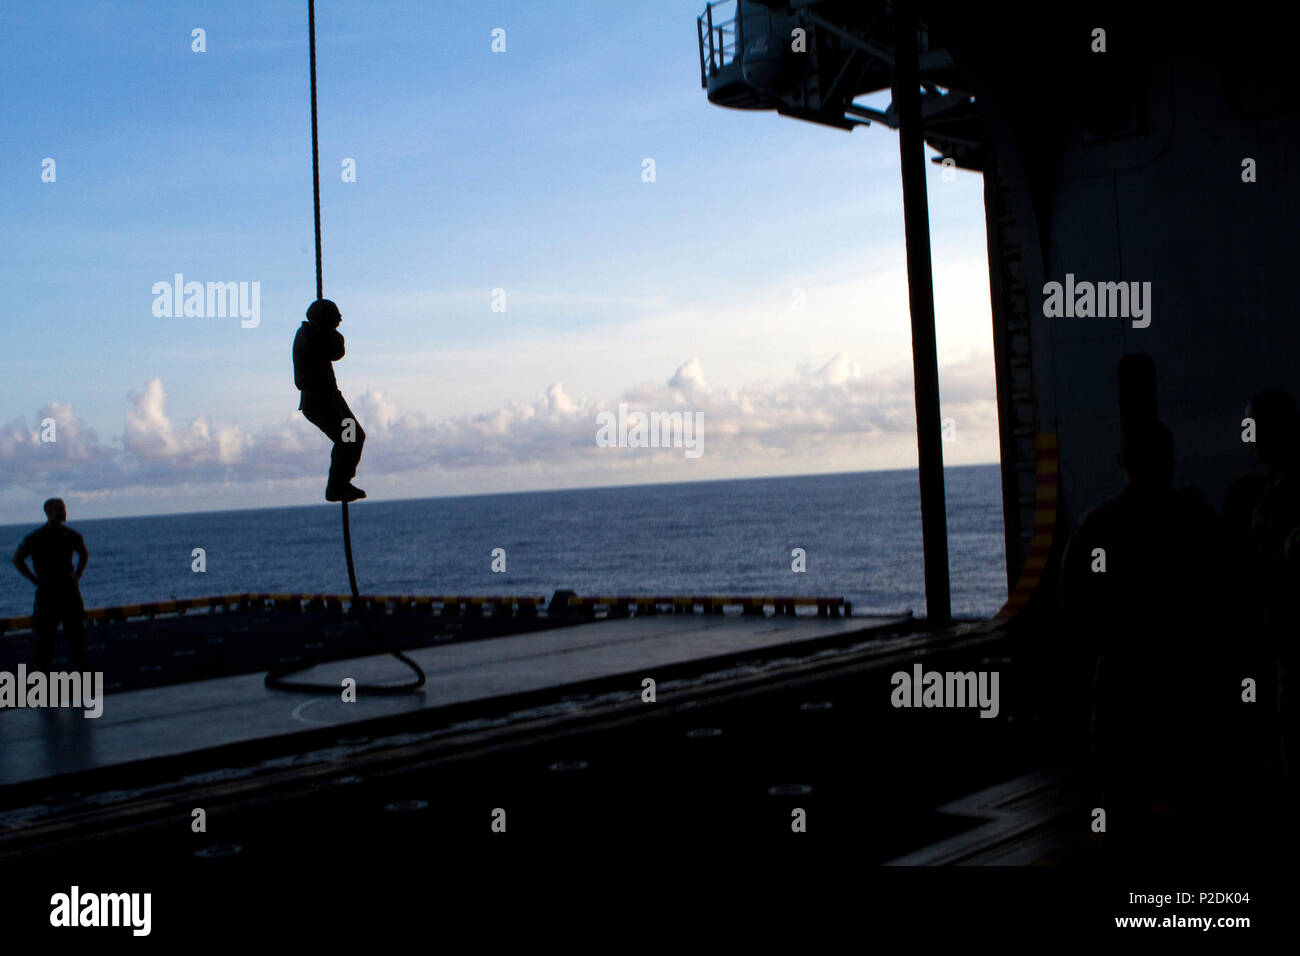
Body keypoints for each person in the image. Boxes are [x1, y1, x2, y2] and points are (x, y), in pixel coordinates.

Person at [1060, 421, 1238, 859]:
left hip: (1124, 683)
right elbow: (1230, 599)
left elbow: (1074, 608)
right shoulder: (1199, 521)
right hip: (1190, 686)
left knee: (1122, 813)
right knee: (1197, 813)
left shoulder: (1098, 527)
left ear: (1122, 463)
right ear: (1171, 462)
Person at [294, 299, 366, 502]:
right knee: (349, 438)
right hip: (320, 402)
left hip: (329, 399)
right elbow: (336, 351)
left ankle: (340, 483)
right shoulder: (310, 339)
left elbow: (336, 350)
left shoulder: (310, 335)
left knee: (352, 436)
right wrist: (329, 333)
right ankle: (337, 485)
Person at [11, 498, 89, 672]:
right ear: (49, 511)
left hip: (68, 592)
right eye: (60, 508)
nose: (64, 511)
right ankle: (42, 688)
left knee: (76, 641)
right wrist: (34, 580)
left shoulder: (71, 535)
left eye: (64, 507)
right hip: (48, 594)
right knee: (44, 642)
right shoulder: (36, 537)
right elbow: (17, 559)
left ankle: (81, 686)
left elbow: (84, 554)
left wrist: (78, 574)